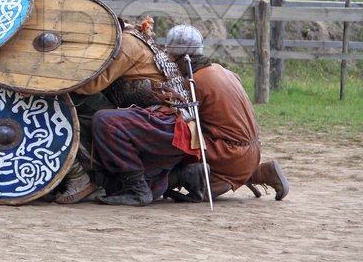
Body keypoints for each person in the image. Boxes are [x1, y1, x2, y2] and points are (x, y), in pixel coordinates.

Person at [55, 17, 201, 206]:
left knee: (105, 121)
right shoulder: (134, 39)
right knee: (111, 184)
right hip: (169, 124)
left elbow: (91, 85)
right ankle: (185, 175)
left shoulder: (128, 44)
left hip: (170, 126)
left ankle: (137, 190)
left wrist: (53, 82)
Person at [164, 24, 289, 201]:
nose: (170, 63)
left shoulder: (192, 83)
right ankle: (261, 172)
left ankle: (212, 179)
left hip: (229, 154)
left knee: (175, 137)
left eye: (172, 58)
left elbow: (181, 121)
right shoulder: (223, 70)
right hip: (252, 151)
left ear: (184, 59)